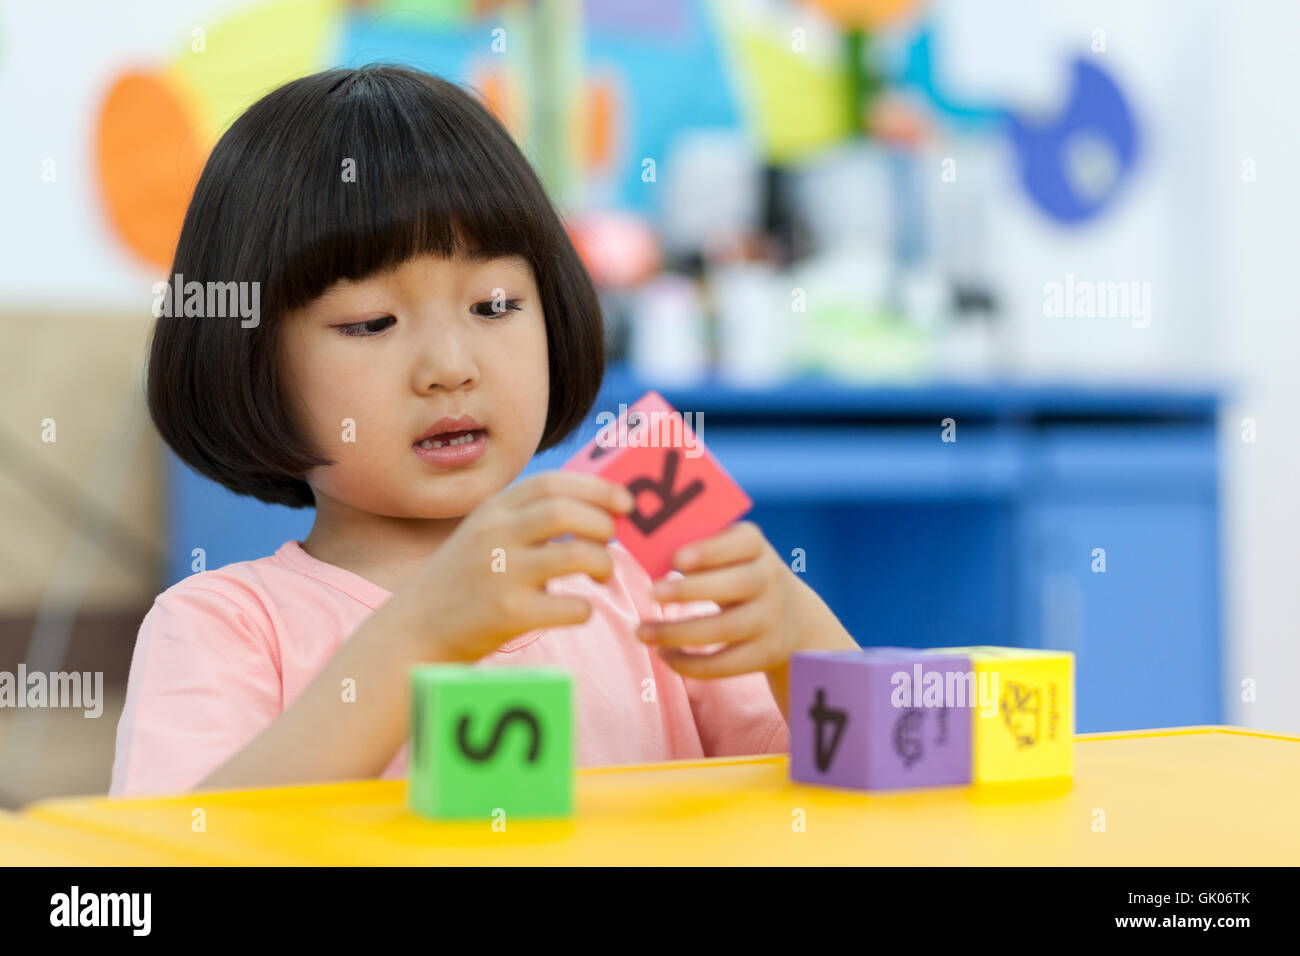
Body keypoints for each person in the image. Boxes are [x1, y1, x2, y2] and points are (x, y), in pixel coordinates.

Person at [111, 66, 859, 797]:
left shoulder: (651, 596)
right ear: (249, 357)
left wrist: (802, 637)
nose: (448, 367)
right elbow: (170, 857)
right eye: (371, 322)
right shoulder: (225, 628)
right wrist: (420, 636)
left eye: (495, 305)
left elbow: (868, 787)